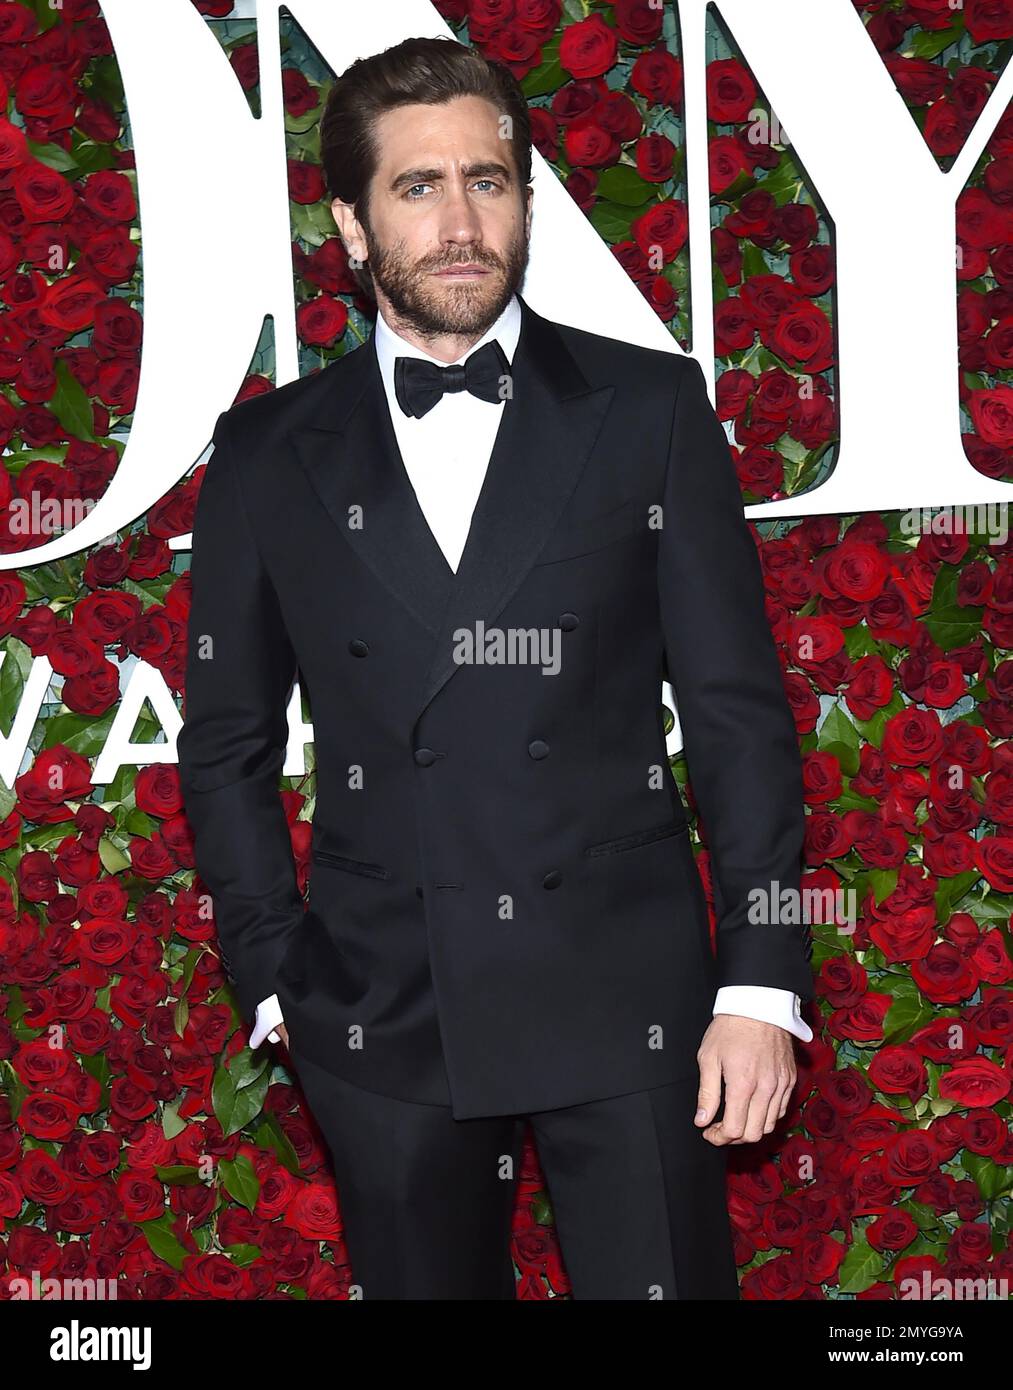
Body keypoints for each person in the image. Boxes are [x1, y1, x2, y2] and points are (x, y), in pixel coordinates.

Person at [177, 35, 815, 1300]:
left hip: (631, 1002)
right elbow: (227, 743)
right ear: (350, 226)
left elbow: (739, 715)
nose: (462, 221)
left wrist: (761, 978)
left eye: (490, 180)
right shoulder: (265, 455)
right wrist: (272, 978)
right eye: (418, 188)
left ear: (524, 198)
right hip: (377, 1007)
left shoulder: (646, 409)